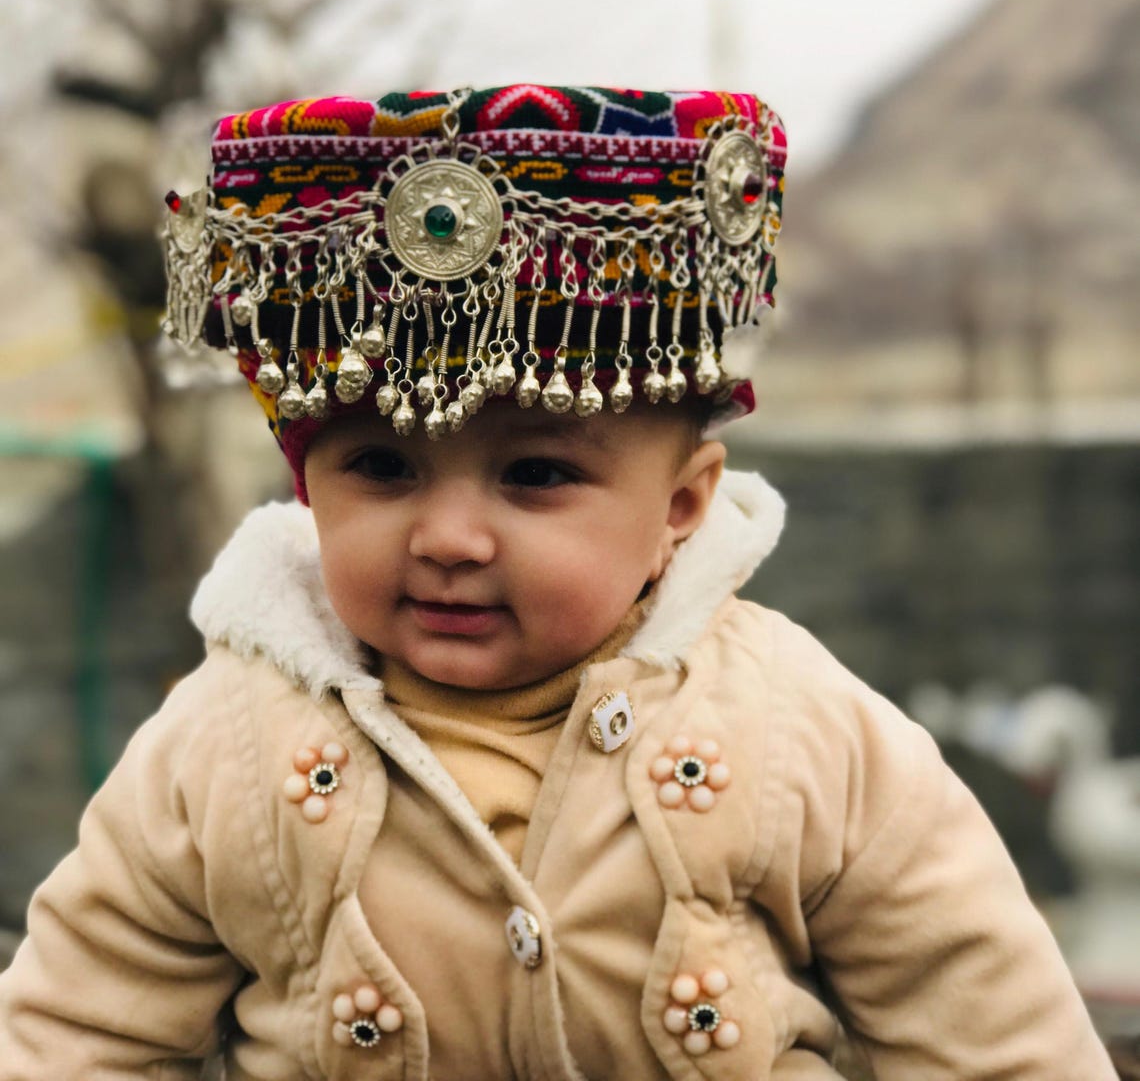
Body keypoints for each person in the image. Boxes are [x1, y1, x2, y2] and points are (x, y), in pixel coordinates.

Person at [0, 86, 1114, 1079]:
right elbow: (71, 1034)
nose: (447, 536)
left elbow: (993, 1032)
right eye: (380, 466)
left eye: (535, 473)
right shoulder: (223, 743)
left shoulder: (800, 725)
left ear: (680, 505)